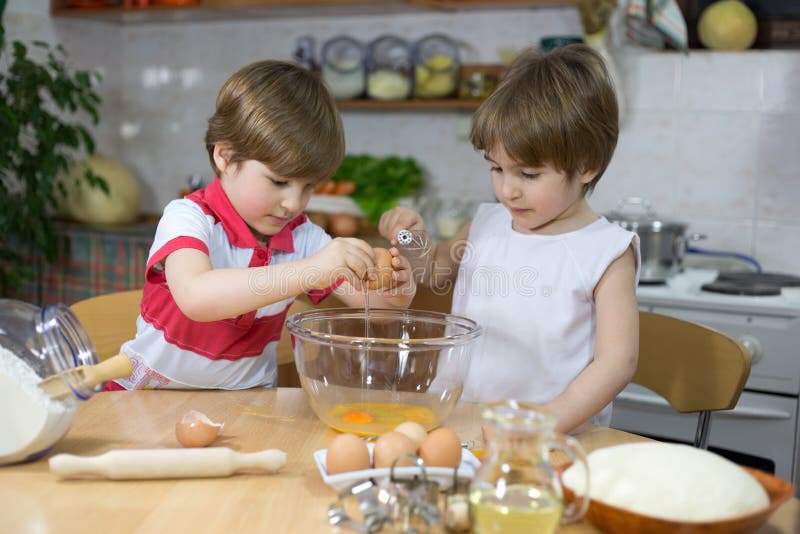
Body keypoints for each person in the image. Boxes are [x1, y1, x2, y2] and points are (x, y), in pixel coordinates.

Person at [379, 44, 640, 433]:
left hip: (549, 442)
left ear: (586, 166)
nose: (507, 190)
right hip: (458, 423)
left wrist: (541, 424)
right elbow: (433, 270)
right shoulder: (488, 222)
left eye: (528, 175)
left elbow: (616, 364)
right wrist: (407, 235)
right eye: (496, 169)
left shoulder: (606, 252)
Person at [109, 60, 415, 391]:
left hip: (247, 410)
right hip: (146, 401)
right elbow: (196, 296)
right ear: (224, 156)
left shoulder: (303, 237)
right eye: (279, 181)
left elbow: (377, 310)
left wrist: (397, 293)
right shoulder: (188, 217)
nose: (295, 203)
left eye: (309, 187)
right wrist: (310, 270)